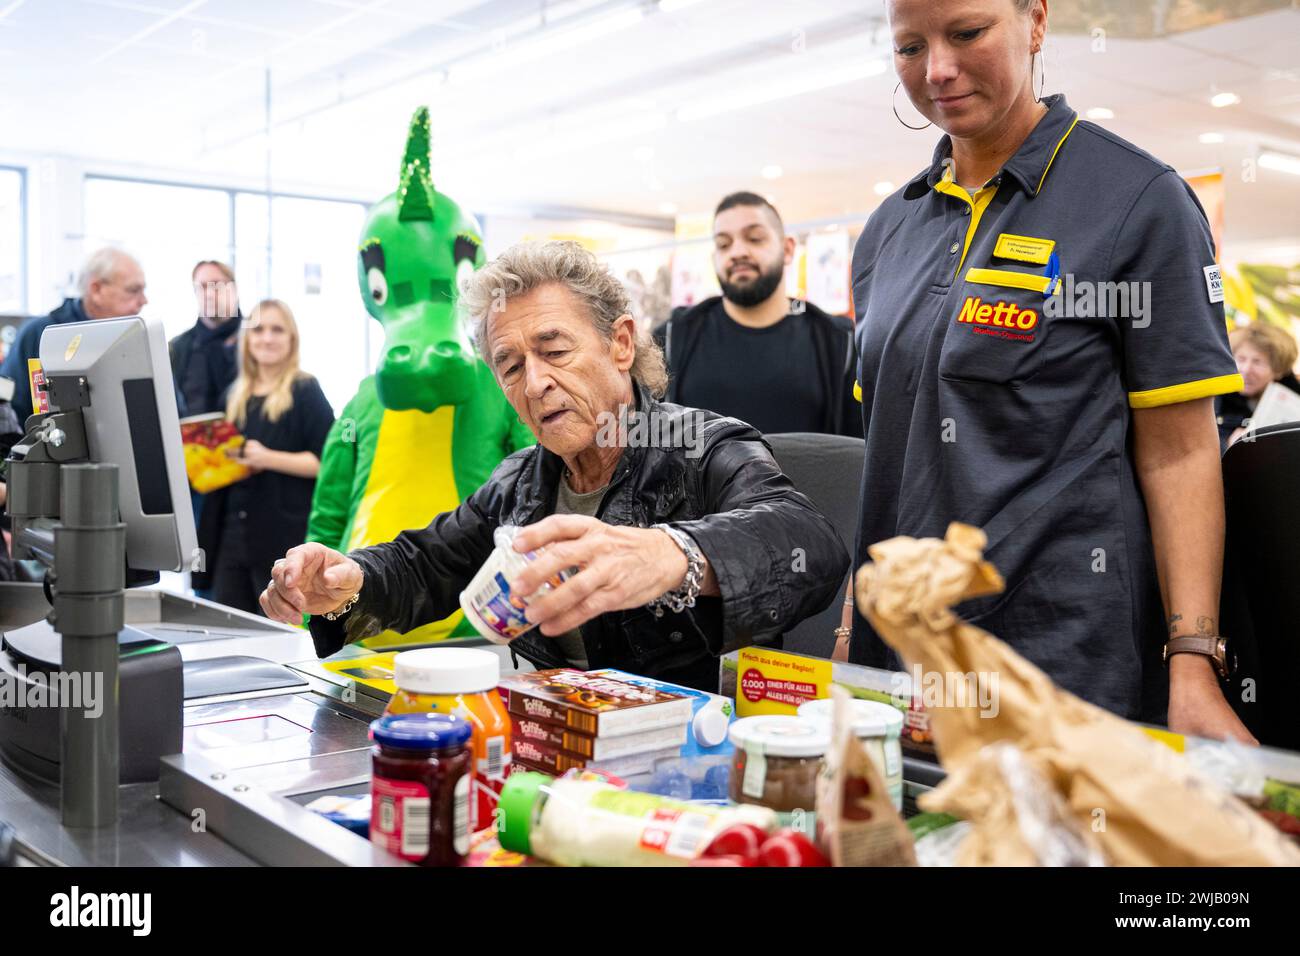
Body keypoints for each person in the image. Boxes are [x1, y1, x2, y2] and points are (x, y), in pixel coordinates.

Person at [850, 0, 1254, 742]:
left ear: (1035, 21)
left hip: (1065, 667)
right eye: (910, 46)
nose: (936, 69)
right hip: (900, 674)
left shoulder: (1137, 202)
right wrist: (854, 620)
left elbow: (1182, 454)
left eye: (967, 33)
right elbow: (885, 453)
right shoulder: (887, 232)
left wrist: (1193, 660)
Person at [260, 241, 847, 691]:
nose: (536, 382)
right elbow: (427, 565)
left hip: (688, 758)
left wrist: (673, 554)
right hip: (553, 744)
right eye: (510, 366)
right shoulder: (522, 480)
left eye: (555, 350)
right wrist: (344, 585)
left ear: (620, 344)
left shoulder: (700, 444)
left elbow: (809, 540)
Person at [656, 193, 860, 437]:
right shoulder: (672, 337)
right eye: (724, 244)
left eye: (754, 239)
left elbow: (857, 452)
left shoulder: (838, 342)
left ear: (787, 249)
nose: (738, 251)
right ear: (715, 258)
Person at [200, 299, 335, 614]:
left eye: (277, 330)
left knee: (280, 633)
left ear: (291, 339)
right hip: (232, 538)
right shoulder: (234, 396)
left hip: (283, 541)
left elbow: (326, 463)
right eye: (259, 329)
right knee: (230, 632)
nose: (267, 338)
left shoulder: (305, 391)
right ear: (247, 338)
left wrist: (268, 458)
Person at [0, 248, 147, 426]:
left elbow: (172, 410)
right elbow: (9, 416)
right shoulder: (38, 336)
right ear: (96, 289)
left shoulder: (141, 341)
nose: (144, 300)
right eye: (133, 290)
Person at [170, 260, 242, 418]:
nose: (209, 294)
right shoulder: (178, 348)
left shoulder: (258, 341)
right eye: (202, 287)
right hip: (192, 439)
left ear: (234, 289)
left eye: (217, 285)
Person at [1216, 323, 1300, 449]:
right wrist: (1227, 445)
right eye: (1241, 359)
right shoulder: (1217, 396)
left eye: (1257, 362)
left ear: (1278, 371)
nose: (1246, 369)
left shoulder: (1292, 401)